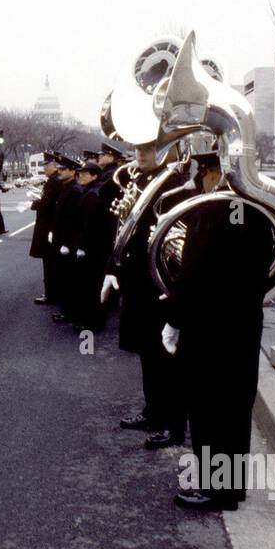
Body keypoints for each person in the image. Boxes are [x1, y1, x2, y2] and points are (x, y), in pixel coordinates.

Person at [166, 152, 275, 512]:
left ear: (214, 173)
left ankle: (216, 491)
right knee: (234, 407)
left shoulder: (212, 211)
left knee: (209, 407)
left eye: (201, 175)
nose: (198, 183)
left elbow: (193, 273)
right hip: (242, 324)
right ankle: (229, 489)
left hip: (208, 326)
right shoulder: (259, 212)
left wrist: (174, 319)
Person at [106, 143, 192, 443]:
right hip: (137, 281)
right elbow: (123, 228)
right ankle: (153, 411)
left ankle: (174, 425)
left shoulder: (176, 184)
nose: (140, 154)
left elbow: (177, 237)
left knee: (167, 358)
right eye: (138, 149)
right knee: (148, 353)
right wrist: (113, 269)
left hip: (160, 283)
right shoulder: (140, 180)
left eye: (149, 149)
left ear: (166, 151)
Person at [69, 160, 111, 331]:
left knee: (91, 285)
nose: (81, 176)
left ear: (95, 176)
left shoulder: (93, 195)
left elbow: (90, 225)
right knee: (91, 284)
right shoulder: (92, 191)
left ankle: (92, 322)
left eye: (85, 174)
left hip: (92, 248)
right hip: (96, 247)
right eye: (80, 173)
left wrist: (82, 246)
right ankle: (91, 319)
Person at [49, 155, 82, 323]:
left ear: (73, 171)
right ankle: (66, 310)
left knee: (68, 278)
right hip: (60, 239)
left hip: (67, 243)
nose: (59, 171)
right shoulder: (66, 187)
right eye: (59, 168)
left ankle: (69, 312)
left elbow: (74, 221)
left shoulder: (74, 190)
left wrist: (67, 244)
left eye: (63, 169)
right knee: (62, 276)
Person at [28, 152, 62, 304]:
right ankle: (53, 292)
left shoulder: (53, 182)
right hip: (51, 225)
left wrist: (35, 203)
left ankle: (50, 294)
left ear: (54, 166)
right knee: (51, 261)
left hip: (48, 225)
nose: (44, 169)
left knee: (49, 262)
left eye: (46, 166)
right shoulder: (55, 180)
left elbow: (47, 203)